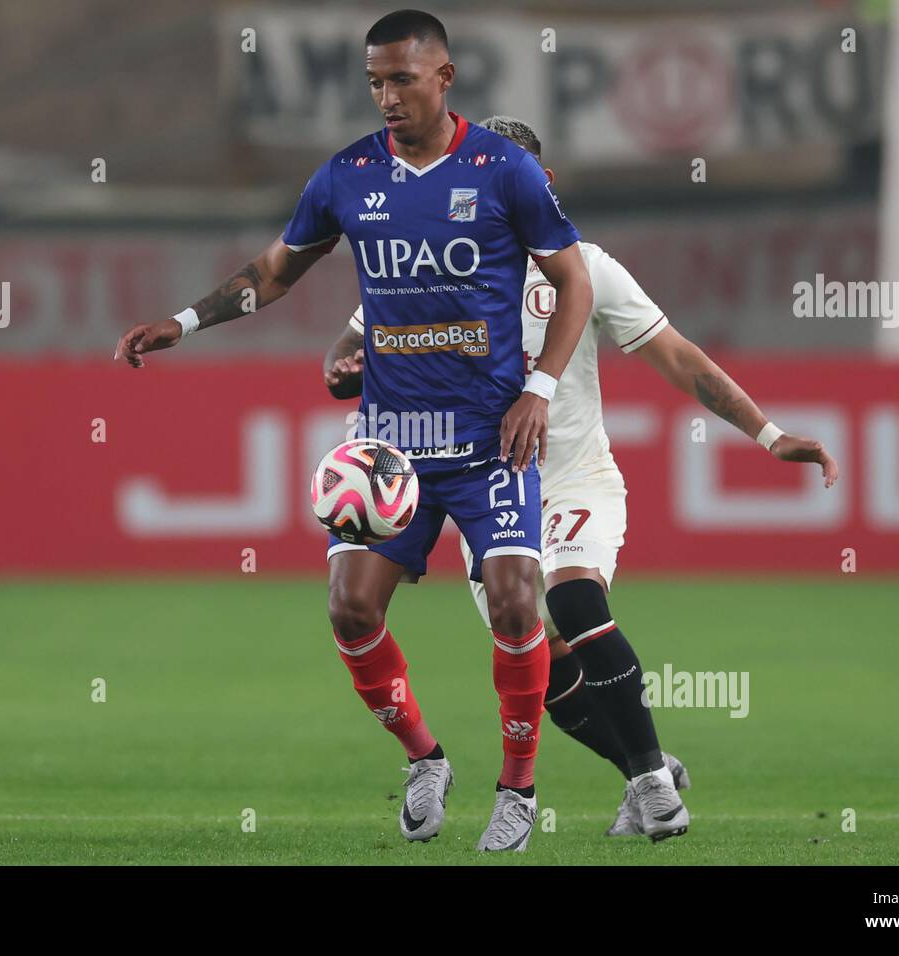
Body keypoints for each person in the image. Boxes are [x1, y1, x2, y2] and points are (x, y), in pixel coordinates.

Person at [115, 13, 594, 852]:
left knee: (519, 602)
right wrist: (184, 321)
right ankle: (424, 758)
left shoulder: (503, 170)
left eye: (402, 79)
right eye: (375, 82)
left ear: (444, 77)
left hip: (490, 438)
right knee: (348, 610)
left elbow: (573, 280)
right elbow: (274, 272)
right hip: (390, 447)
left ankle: (517, 790)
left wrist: (542, 389)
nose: (387, 97)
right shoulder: (347, 176)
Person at [323, 115, 840, 842]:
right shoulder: (426, 261)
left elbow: (681, 359)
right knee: (549, 678)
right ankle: (643, 767)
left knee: (570, 598)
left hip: (571, 481)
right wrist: (348, 367)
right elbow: (349, 347)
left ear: (541, 185)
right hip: (488, 490)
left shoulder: (585, 268)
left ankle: (656, 790)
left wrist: (770, 434)